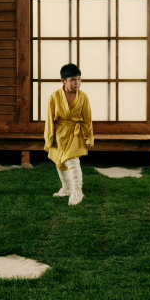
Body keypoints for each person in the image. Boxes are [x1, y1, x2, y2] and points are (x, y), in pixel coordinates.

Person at [44, 64, 94, 206]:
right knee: (60, 162)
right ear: (63, 81)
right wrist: (49, 138)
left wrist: (89, 137)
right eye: (72, 80)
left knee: (72, 161)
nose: (77, 83)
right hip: (59, 133)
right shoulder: (55, 96)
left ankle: (77, 191)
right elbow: (49, 119)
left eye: (79, 79)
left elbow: (88, 119)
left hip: (76, 132)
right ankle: (66, 188)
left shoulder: (83, 97)